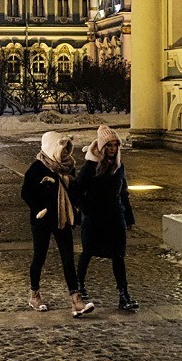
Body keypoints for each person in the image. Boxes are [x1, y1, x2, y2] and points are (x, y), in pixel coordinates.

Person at [21, 131, 95, 318]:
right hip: (42, 219)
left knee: (68, 258)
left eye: (67, 149)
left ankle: (76, 300)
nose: (65, 153)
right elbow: (26, 192)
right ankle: (34, 293)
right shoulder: (37, 167)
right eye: (62, 149)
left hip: (62, 218)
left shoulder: (68, 167)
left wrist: (80, 209)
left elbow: (74, 192)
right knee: (39, 256)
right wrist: (39, 208)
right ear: (51, 148)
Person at [76, 126, 138, 310]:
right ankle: (79, 287)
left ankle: (123, 295)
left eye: (115, 145)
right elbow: (77, 193)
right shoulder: (90, 167)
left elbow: (123, 193)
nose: (112, 149)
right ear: (102, 147)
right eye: (109, 145)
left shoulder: (119, 166)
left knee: (118, 255)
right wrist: (88, 211)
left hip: (114, 216)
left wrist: (129, 217)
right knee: (88, 252)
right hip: (95, 218)